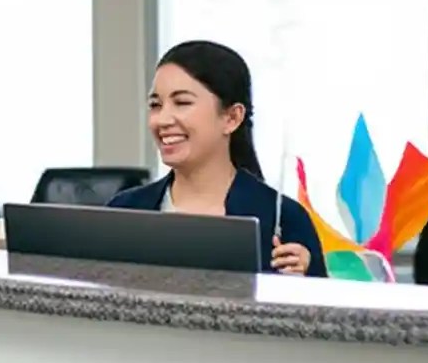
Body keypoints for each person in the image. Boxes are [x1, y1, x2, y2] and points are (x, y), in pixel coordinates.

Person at [108, 40, 327, 278]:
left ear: (232, 118)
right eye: (155, 105)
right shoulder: (124, 212)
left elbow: (322, 313)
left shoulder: (283, 219)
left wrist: (304, 283)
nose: (162, 119)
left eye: (182, 103)